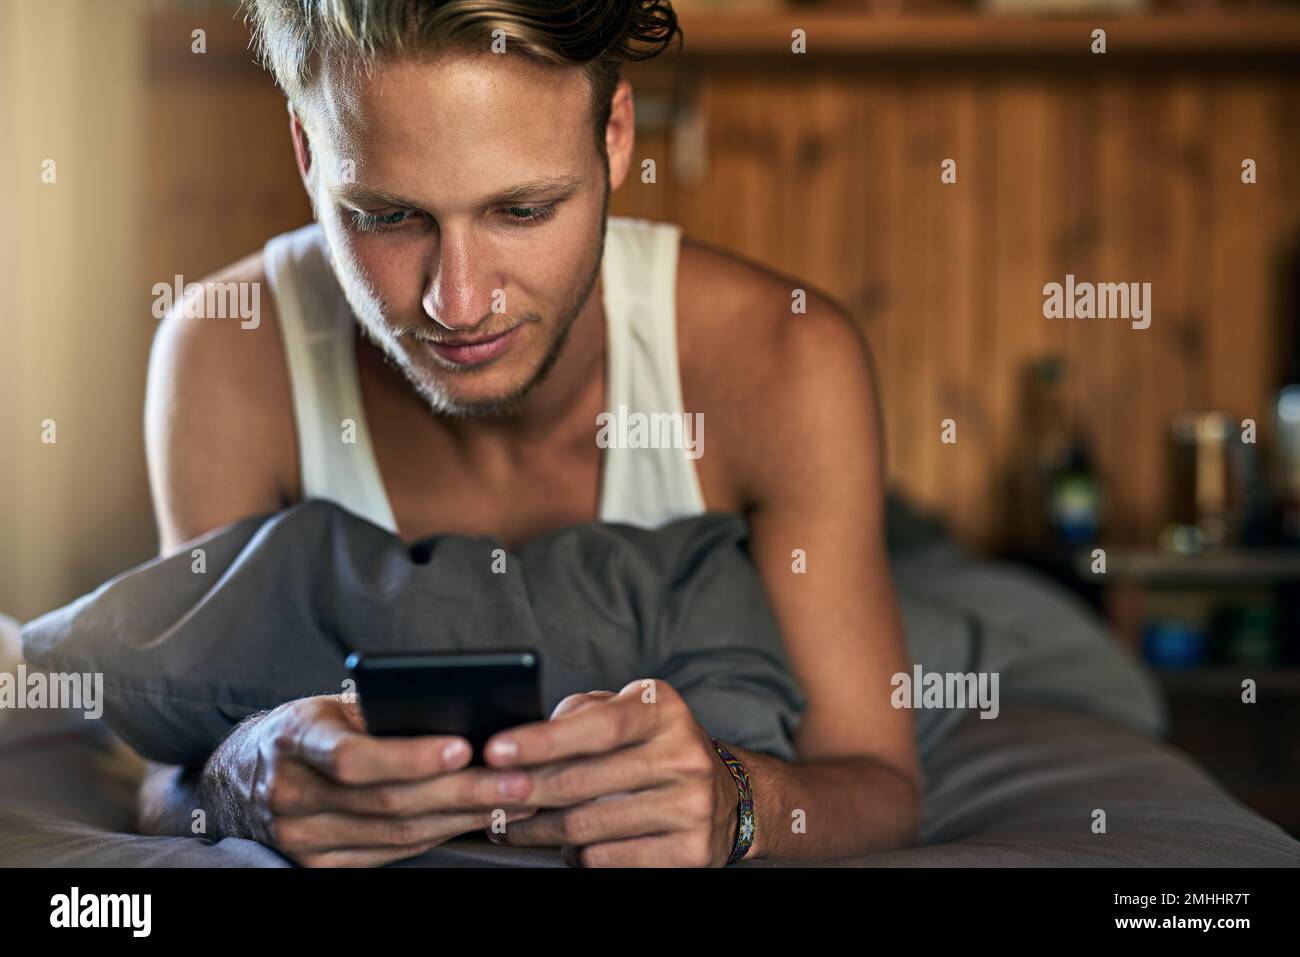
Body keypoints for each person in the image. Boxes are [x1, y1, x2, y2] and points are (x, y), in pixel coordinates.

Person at [138, 0, 918, 867]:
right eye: (388, 216)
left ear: (615, 134)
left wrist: (736, 802)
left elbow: (880, 784)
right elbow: (166, 774)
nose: (458, 304)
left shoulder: (783, 361)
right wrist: (238, 778)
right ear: (307, 153)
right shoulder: (226, 354)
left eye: (523, 209)